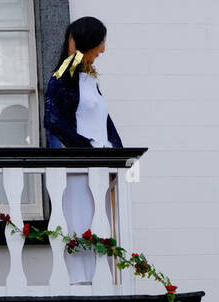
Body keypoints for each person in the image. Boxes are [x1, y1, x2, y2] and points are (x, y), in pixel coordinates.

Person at [44, 17, 123, 285]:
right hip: (79, 173)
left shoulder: (89, 80)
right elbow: (54, 122)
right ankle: (81, 284)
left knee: (103, 226)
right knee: (81, 224)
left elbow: (104, 123)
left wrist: (116, 154)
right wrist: (88, 150)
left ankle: (102, 281)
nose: (103, 49)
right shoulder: (62, 79)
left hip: (100, 171)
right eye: (100, 42)